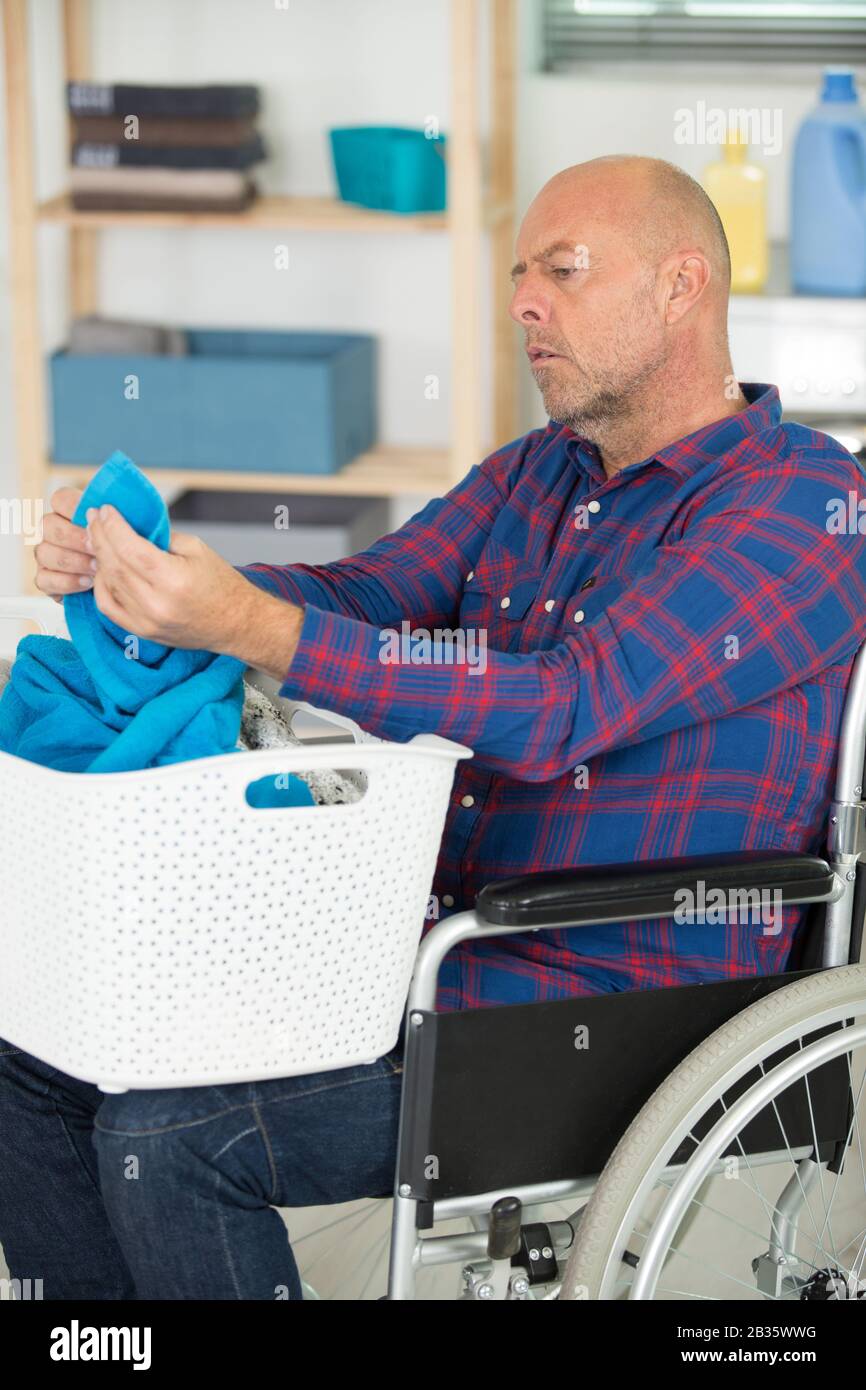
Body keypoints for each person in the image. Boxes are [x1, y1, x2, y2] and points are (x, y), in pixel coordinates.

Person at [2, 155, 865, 1299]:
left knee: (168, 1138)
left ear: (681, 286)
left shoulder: (806, 506)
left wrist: (253, 625)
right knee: (33, 1065)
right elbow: (366, 594)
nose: (522, 303)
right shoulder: (534, 476)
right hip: (418, 955)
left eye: (560, 271)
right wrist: (169, 585)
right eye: (519, 275)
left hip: (612, 1008)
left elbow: (566, 703)